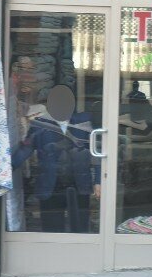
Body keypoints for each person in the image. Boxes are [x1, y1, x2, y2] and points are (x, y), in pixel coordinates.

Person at [12, 86, 100, 233]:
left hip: (79, 184)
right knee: (52, 231)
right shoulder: (40, 124)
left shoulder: (84, 122)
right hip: (50, 187)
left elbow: (96, 152)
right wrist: (6, 168)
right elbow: (25, 149)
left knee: (81, 231)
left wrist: (98, 181)